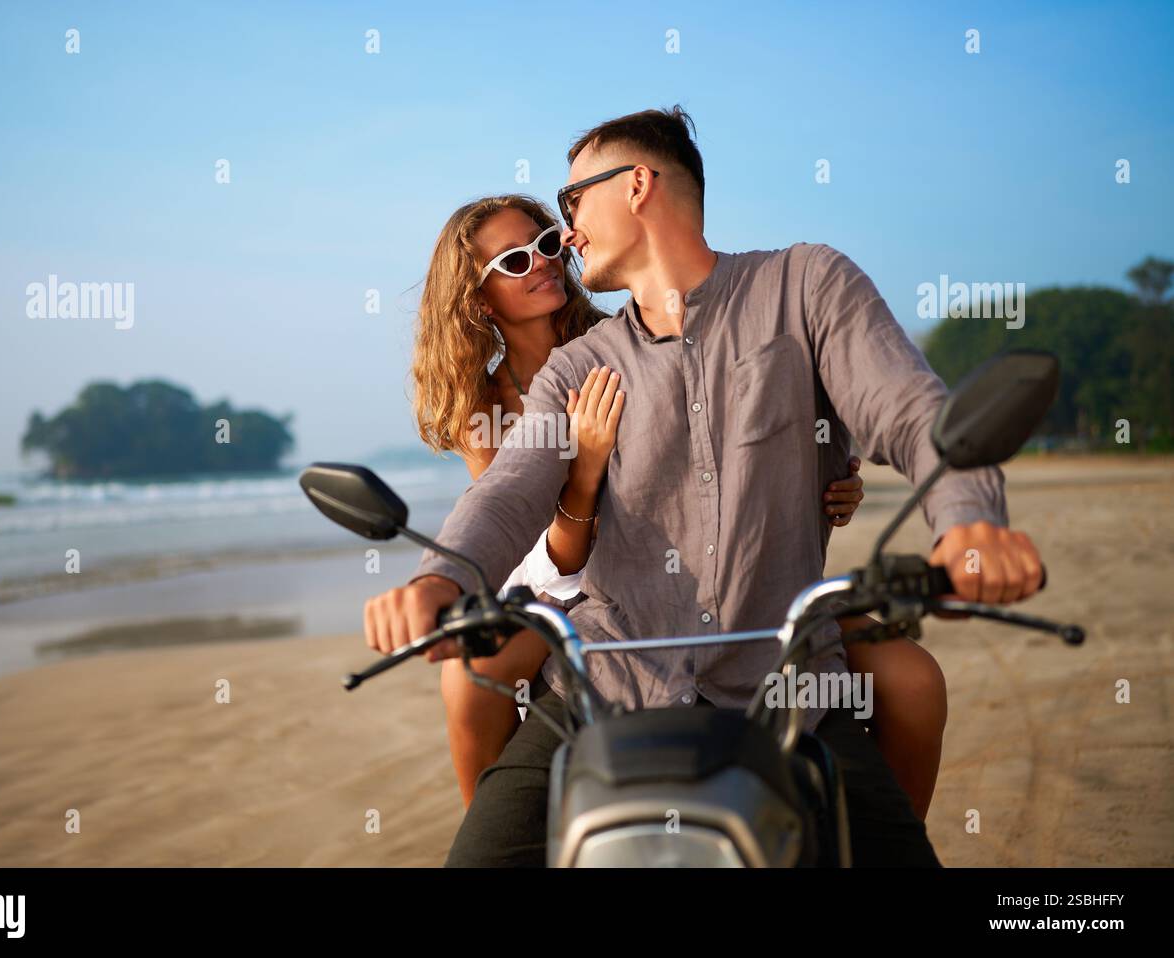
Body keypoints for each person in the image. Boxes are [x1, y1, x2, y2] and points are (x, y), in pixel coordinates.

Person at [370, 107, 1045, 867]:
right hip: (599, 691)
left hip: (788, 694)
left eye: (569, 205)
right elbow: (510, 490)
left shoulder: (807, 284)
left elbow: (910, 408)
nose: (565, 234)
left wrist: (967, 521)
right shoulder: (573, 366)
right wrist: (440, 576)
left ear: (636, 186)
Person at [410, 194, 870, 810]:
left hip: (657, 559)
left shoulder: (618, 341)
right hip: (548, 574)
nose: (545, 262)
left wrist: (824, 478)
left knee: (893, 662)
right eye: (516, 262)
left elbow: (714, 459)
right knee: (467, 685)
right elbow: (522, 525)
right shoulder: (481, 409)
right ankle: (497, 824)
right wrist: (585, 470)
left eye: (549, 243)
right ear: (476, 300)